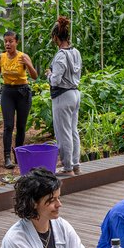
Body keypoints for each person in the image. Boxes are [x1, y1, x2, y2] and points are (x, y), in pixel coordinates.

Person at [0, 30, 38, 167]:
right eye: (5, 41)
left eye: (11, 41)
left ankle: (18, 154)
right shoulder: (1, 57)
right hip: (7, 93)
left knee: (21, 126)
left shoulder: (23, 57)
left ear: (17, 42)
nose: (7, 44)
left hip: (23, 92)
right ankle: (7, 157)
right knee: (8, 126)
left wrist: (28, 64)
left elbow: (34, 76)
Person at [47, 16, 82, 177]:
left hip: (63, 95)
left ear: (56, 37)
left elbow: (56, 80)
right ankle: (75, 164)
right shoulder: (76, 52)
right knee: (73, 131)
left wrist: (49, 75)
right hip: (75, 93)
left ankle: (67, 167)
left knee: (63, 133)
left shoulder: (61, 55)